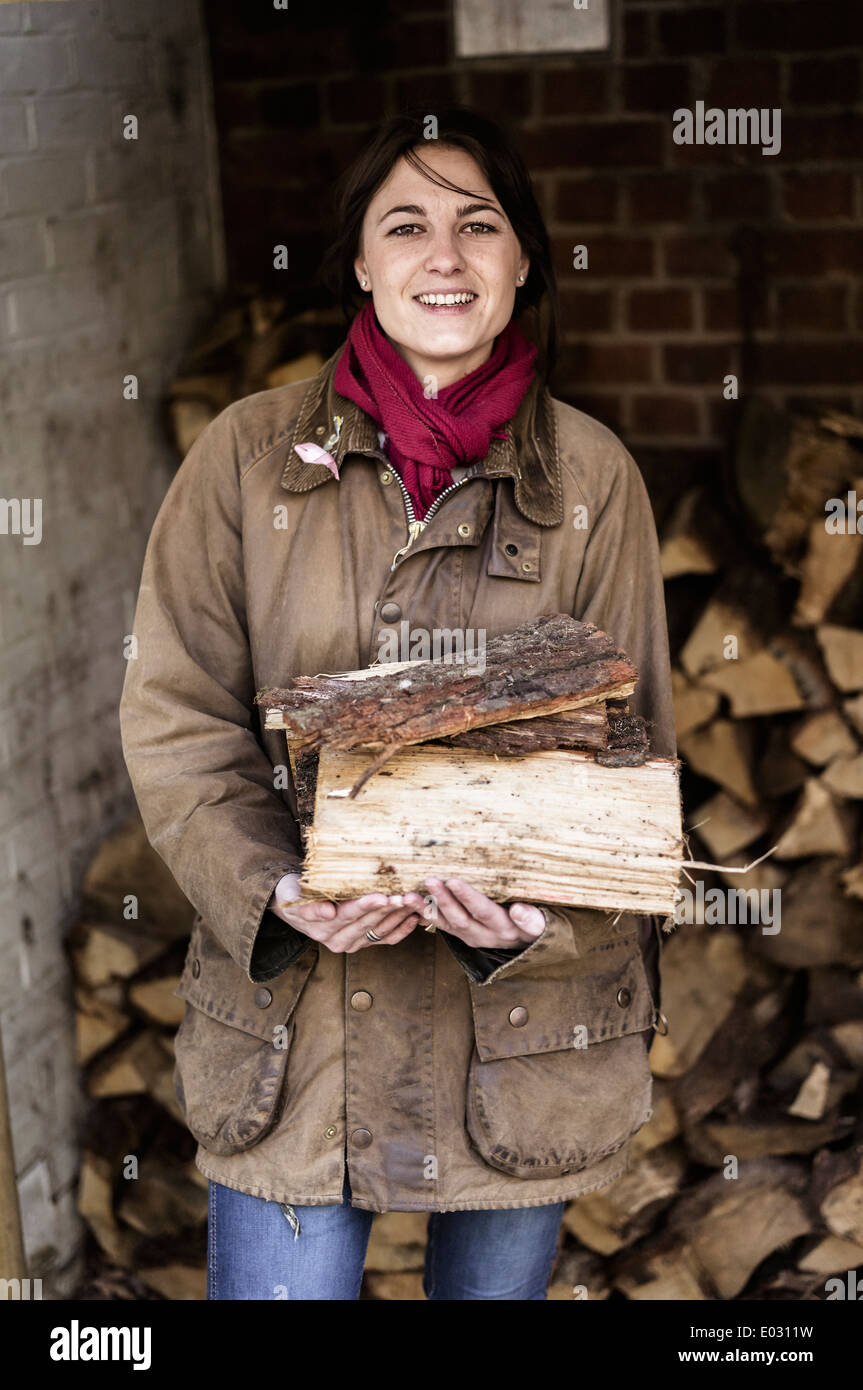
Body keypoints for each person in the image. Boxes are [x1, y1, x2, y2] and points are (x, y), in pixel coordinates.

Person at [119, 107, 675, 1301]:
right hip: (294, 1039)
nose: (445, 256)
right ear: (361, 264)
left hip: (511, 1046)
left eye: (478, 225)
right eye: (406, 225)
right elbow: (176, 718)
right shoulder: (241, 457)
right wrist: (271, 887)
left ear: (522, 258)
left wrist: (535, 924)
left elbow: (637, 765)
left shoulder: (588, 482)